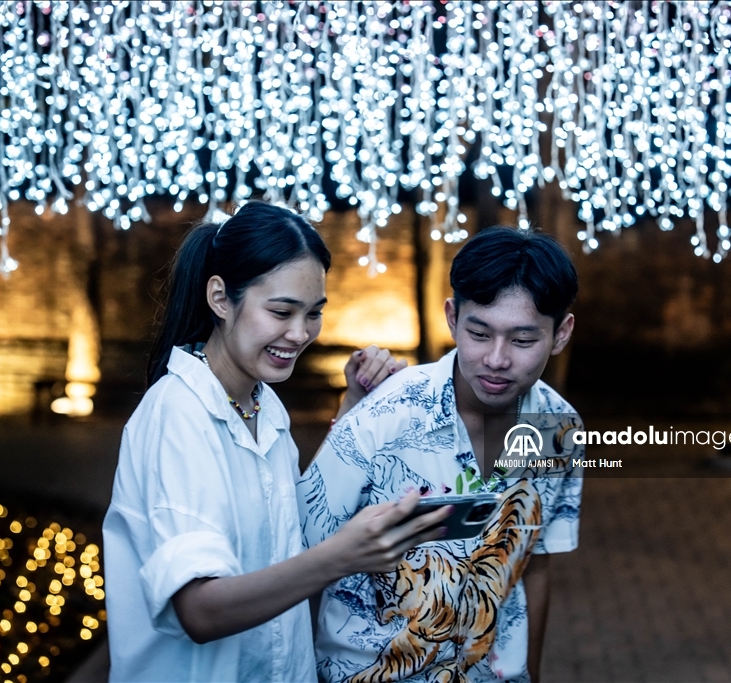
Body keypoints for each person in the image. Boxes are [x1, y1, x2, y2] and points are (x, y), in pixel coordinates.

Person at [103, 201, 452, 683]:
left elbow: (291, 535)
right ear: (221, 298)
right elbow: (200, 611)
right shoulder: (178, 414)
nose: (300, 333)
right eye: (282, 311)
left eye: (313, 314)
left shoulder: (264, 406)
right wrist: (343, 557)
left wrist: (352, 410)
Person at [298, 226, 584, 683]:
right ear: (452, 317)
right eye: (479, 332)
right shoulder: (382, 414)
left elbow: (537, 563)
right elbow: (300, 555)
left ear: (560, 334)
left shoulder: (558, 426)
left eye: (523, 340)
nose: (496, 358)